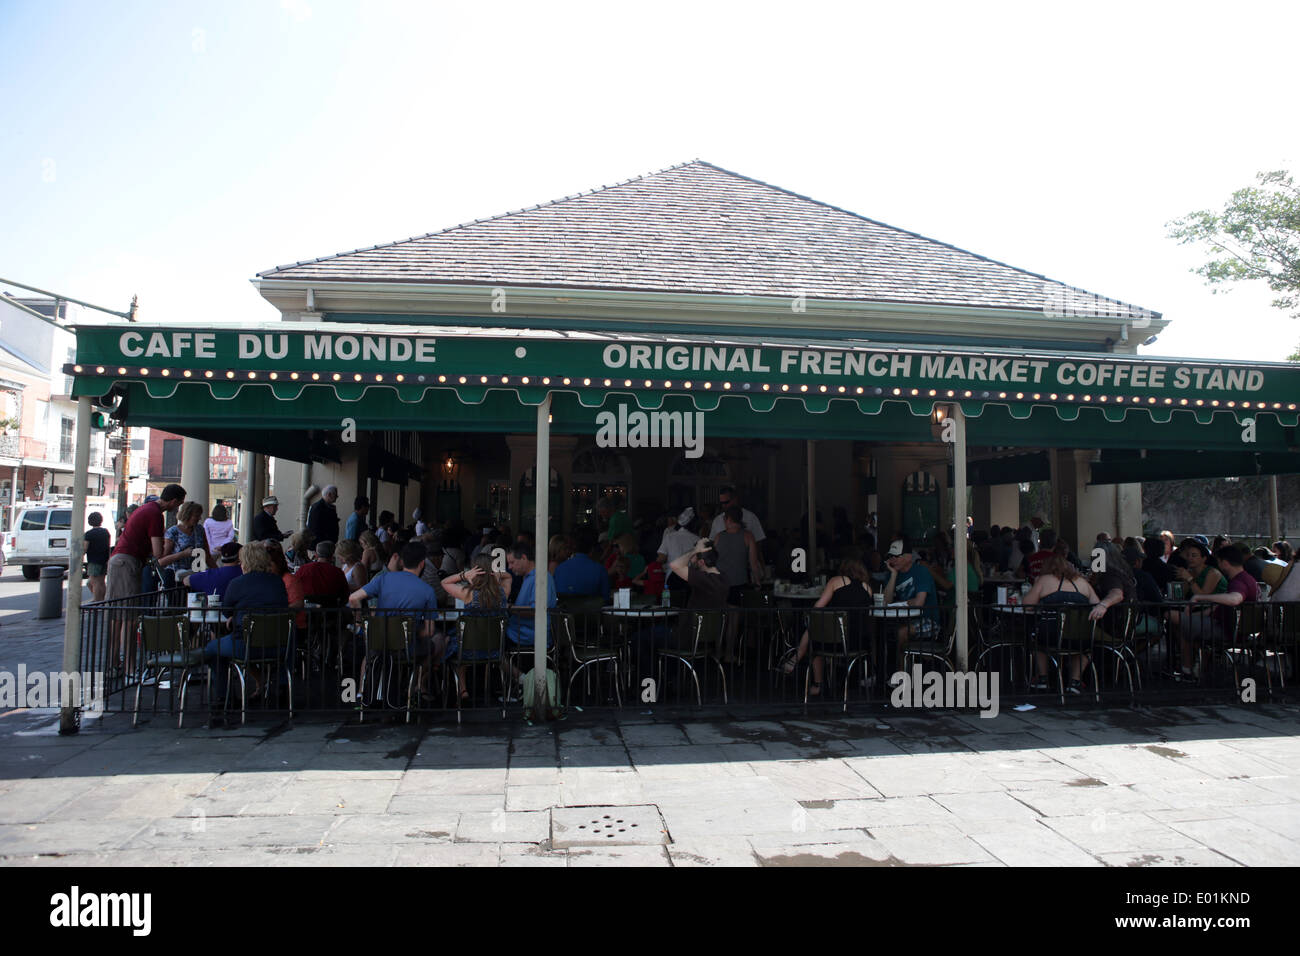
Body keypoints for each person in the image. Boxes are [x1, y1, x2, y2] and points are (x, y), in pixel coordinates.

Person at [350, 541, 448, 702]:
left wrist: (360, 623)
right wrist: (413, 631)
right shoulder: (427, 591)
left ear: (402, 561)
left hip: (380, 643)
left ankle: (361, 691)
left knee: (370, 652)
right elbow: (429, 631)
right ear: (422, 563)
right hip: (407, 647)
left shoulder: (383, 579)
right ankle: (416, 683)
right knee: (439, 641)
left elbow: (353, 598)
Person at [205, 540, 289, 724]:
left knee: (211, 650)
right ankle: (282, 687)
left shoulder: (237, 584)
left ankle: (223, 696)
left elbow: (227, 610)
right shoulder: (277, 582)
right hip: (278, 645)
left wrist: (234, 617)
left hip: (244, 644)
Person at [783, 555, 873, 697]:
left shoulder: (836, 581)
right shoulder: (867, 588)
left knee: (814, 633)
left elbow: (817, 608)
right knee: (818, 631)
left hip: (833, 641)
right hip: (858, 643)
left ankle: (814, 679)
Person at [1023, 553, 1101, 693]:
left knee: (1035, 638)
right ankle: (1075, 681)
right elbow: (1096, 605)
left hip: (1052, 635)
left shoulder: (1044, 580)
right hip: (1081, 636)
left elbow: (1027, 605)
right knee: (1084, 649)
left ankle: (1043, 678)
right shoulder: (1083, 582)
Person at [442, 554, 514, 700]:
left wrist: (463, 575)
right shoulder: (502, 594)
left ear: (474, 570)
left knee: (454, 650)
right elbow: (509, 577)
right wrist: (494, 573)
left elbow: (444, 583)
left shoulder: (468, 594)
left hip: (469, 650)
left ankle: (463, 690)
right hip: (493, 649)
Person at [106, 483, 186, 602]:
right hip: (128, 561)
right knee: (128, 609)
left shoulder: (147, 509)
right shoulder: (155, 514)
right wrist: (174, 547)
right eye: (179, 503)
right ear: (174, 501)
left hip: (122, 560)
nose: (178, 508)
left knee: (120, 608)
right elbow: (158, 552)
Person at [883, 538, 940, 659]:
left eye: (896, 556)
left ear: (908, 557)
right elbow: (886, 603)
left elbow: (919, 602)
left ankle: (900, 674)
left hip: (928, 619)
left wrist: (900, 603)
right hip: (904, 620)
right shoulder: (891, 573)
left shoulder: (921, 571)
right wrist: (893, 575)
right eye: (890, 556)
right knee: (880, 629)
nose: (892, 559)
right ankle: (881, 671)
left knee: (902, 632)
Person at [505, 543, 558, 655]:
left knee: (488, 642)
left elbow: (536, 610)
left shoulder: (541, 578)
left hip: (527, 636)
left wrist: (508, 607)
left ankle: (518, 673)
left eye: (512, 562)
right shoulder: (528, 577)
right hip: (519, 632)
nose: (509, 567)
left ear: (524, 558)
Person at [711, 506, 764, 603]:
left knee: (722, 611)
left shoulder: (718, 537)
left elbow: (712, 560)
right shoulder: (748, 536)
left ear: (728, 519)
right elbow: (753, 563)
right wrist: (757, 581)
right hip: (739, 581)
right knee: (735, 612)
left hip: (720, 581)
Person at [554, 528, 611, 599]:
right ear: (592, 550)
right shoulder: (600, 570)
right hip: (592, 609)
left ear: (574, 548)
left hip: (565, 609)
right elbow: (606, 598)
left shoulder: (559, 569)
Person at [83, 511, 111, 602]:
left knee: (94, 582)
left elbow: (85, 548)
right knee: (101, 582)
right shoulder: (105, 532)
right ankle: (104, 600)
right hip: (104, 559)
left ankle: (97, 600)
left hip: (93, 561)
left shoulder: (89, 534)